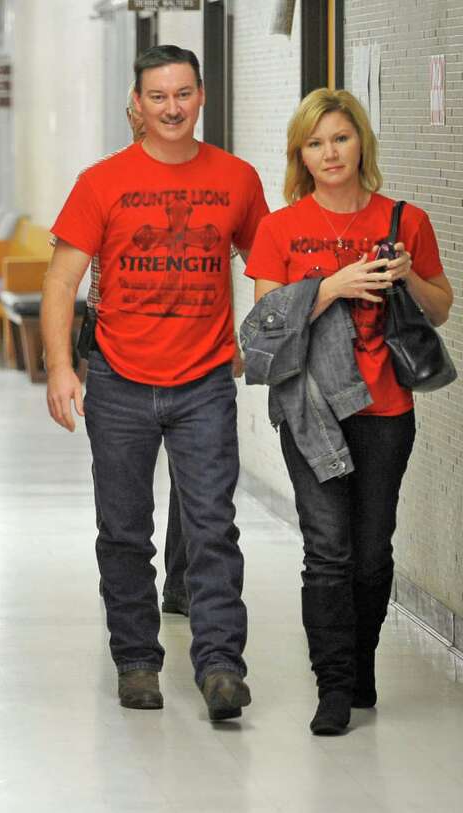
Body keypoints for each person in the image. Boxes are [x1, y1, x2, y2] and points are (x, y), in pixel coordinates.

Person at [42, 45, 269, 720]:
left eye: (183, 94)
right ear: (137, 104)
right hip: (117, 379)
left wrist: (250, 338)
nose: (172, 107)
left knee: (213, 527)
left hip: (204, 381)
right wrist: (60, 367)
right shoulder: (101, 182)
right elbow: (61, 279)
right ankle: (137, 660)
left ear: (201, 97)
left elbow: (271, 264)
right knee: (123, 531)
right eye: (158, 96)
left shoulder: (237, 179)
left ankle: (222, 666)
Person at [242, 88, 453, 735]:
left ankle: (360, 665)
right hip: (311, 410)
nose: (329, 152)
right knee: (328, 551)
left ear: (361, 140)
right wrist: (331, 286)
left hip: (386, 408)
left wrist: (408, 276)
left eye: (339, 138)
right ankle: (333, 685)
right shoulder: (281, 227)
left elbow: (439, 305)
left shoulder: (403, 219)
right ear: (299, 155)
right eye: (314, 142)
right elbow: (264, 325)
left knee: (370, 552)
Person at [76, 86, 193, 618]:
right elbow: (74, 268)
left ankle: (184, 583)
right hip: (116, 346)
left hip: (189, 345)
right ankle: (126, 591)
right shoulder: (104, 180)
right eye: (140, 109)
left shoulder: (205, 179)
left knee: (197, 482)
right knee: (123, 487)